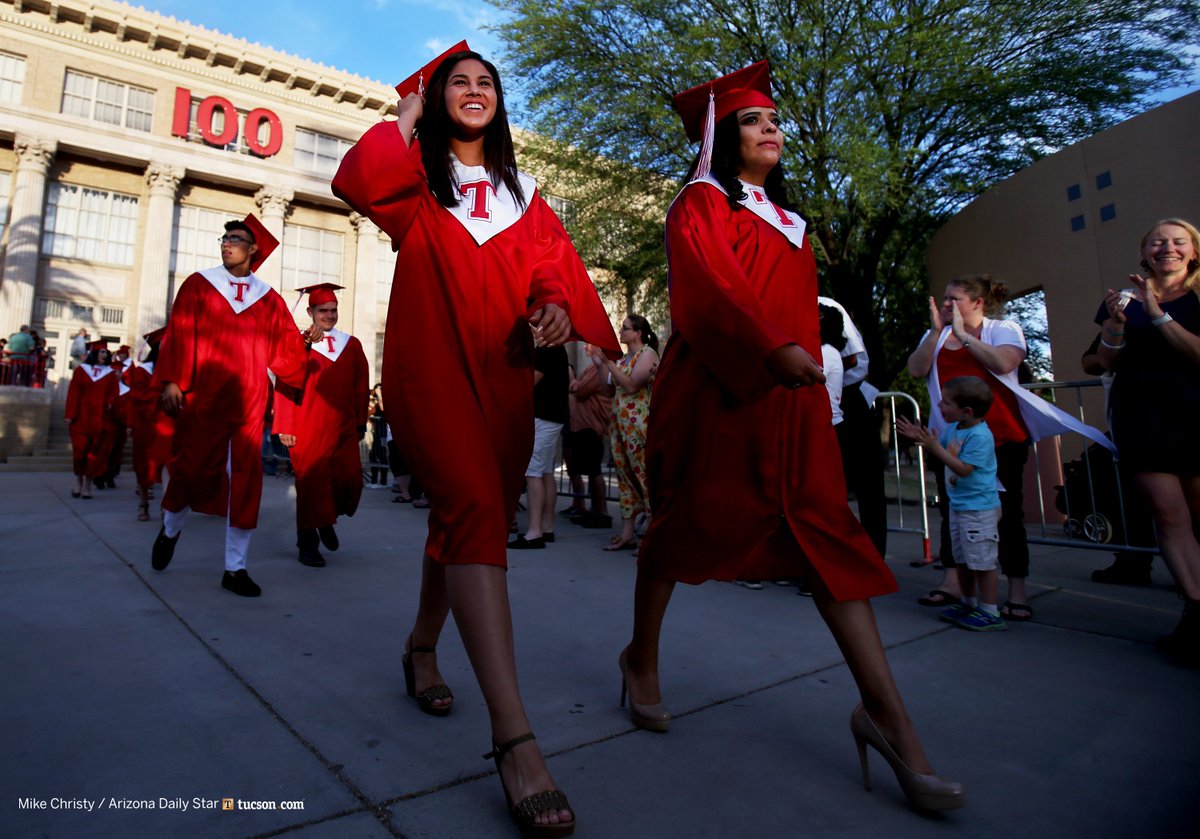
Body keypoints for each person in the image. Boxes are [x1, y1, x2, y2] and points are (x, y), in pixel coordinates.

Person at [621, 61, 963, 812]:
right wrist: (765, 348)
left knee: (827, 537)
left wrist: (803, 368)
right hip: (721, 390)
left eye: (775, 118)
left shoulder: (791, 223)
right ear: (719, 136)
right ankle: (639, 657)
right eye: (752, 119)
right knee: (686, 526)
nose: (771, 127)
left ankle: (890, 720)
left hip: (794, 402)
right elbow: (710, 290)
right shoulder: (699, 203)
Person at [332, 44, 618, 836]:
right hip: (433, 372)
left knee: (470, 520)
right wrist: (405, 114)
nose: (472, 88)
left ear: (500, 104)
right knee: (466, 506)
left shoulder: (525, 197)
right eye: (456, 80)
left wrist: (556, 309)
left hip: (504, 377)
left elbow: (550, 274)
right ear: (436, 98)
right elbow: (357, 178)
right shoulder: (419, 188)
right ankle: (515, 738)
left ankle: (422, 645)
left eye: (484, 81)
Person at [906, 274, 1112, 621]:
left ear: (977, 303)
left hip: (999, 440)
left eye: (954, 298)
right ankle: (953, 583)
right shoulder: (937, 336)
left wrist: (963, 337)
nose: (945, 304)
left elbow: (1004, 363)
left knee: (1006, 516)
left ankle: (1016, 591)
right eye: (943, 298)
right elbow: (916, 370)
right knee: (953, 514)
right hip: (951, 444)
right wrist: (938, 332)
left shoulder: (1003, 328)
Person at [149, 214, 323, 597]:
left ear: (253, 249)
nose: (227, 243)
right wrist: (174, 379)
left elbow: (285, 352)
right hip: (202, 398)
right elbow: (180, 330)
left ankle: (235, 568)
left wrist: (306, 342)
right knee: (190, 472)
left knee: (246, 484)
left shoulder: (270, 298)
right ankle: (171, 528)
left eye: (235, 238)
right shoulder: (199, 285)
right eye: (224, 238)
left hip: (248, 401)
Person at [1091, 218, 1200, 667]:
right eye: (1157, 241)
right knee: (1168, 513)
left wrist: (1157, 313)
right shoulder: (1123, 297)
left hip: (1194, 413)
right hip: (1143, 415)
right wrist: (1116, 324)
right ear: (1144, 251)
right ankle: (1196, 613)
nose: (1167, 248)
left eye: (1178, 242)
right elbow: (1104, 359)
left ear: (1193, 251)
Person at [273, 284, 370, 568]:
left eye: (333, 310)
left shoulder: (351, 345)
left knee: (350, 479)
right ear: (310, 312)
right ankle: (307, 544)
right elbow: (285, 385)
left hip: (342, 426)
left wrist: (361, 421)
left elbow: (361, 386)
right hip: (306, 426)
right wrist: (285, 425)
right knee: (311, 486)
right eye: (323, 310)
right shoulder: (297, 343)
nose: (329, 315)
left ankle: (326, 518)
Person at [899, 377, 1005, 631]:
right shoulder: (956, 429)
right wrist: (923, 440)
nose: (939, 405)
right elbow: (941, 450)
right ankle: (968, 602)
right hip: (960, 506)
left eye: (946, 402)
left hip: (979, 510)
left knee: (982, 561)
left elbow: (964, 469)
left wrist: (934, 446)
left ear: (967, 410)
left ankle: (989, 610)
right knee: (963, 560)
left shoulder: (980, 436)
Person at [817, 296, 889, 556]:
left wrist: (816, 361)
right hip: (808, 401)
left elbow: (855, 359)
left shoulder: (826, 305)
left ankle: (871, 556)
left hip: (845, 397)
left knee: (865, 483)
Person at [589, 314, 658, 551]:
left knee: (644, 478)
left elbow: (630, 385)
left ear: (638, 333)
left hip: (639, 426)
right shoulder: (623, 360)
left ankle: (652, 533)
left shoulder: (647, 354)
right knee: (625, 479)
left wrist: (608, 363)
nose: (621, 332)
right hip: (620, 425)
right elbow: (608, 392)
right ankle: (627, 533)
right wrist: (600, 365)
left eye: (625, 329)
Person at [509, 345, 569, 549]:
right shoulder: (556, 348)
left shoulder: (546, 349)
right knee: (545, 471)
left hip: (544, 416)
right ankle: (546, 527)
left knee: (533, 471)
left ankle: (534, 532)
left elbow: (529, 381)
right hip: (552, 416)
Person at [125, 327, 171, 522]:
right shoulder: (143, 371)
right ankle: (143, 503)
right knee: (144, 466)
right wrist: (161, 396)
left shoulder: (174, 370)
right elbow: (137, 396)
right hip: (146, 424)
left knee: (168, 465)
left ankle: (166, 506)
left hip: (168, 424)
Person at [564, 347, 612, 528]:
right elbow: (575, 387)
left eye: (591, 346)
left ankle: (602, 512)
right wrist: (576, 384)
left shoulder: (601, 369)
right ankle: (593, 510)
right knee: (589, 471)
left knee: (594, 471)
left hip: (593, 425)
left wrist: (576, 383)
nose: (586, 348)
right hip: (583, 425)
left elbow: (580, 390)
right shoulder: (591, 369)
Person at [65, 340, 118, 499]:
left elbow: (114, 394)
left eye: (106, 353)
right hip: (80, 419)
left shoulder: (109, 374)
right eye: (101, 352)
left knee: (94, 454)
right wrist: (70, 414)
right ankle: (78, 482)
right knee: (79, 453)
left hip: (99, 420)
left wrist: (110, 403)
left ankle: (88, 485)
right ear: (94, 353)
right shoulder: (81, 370)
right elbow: (73, 393)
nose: (104, 355)